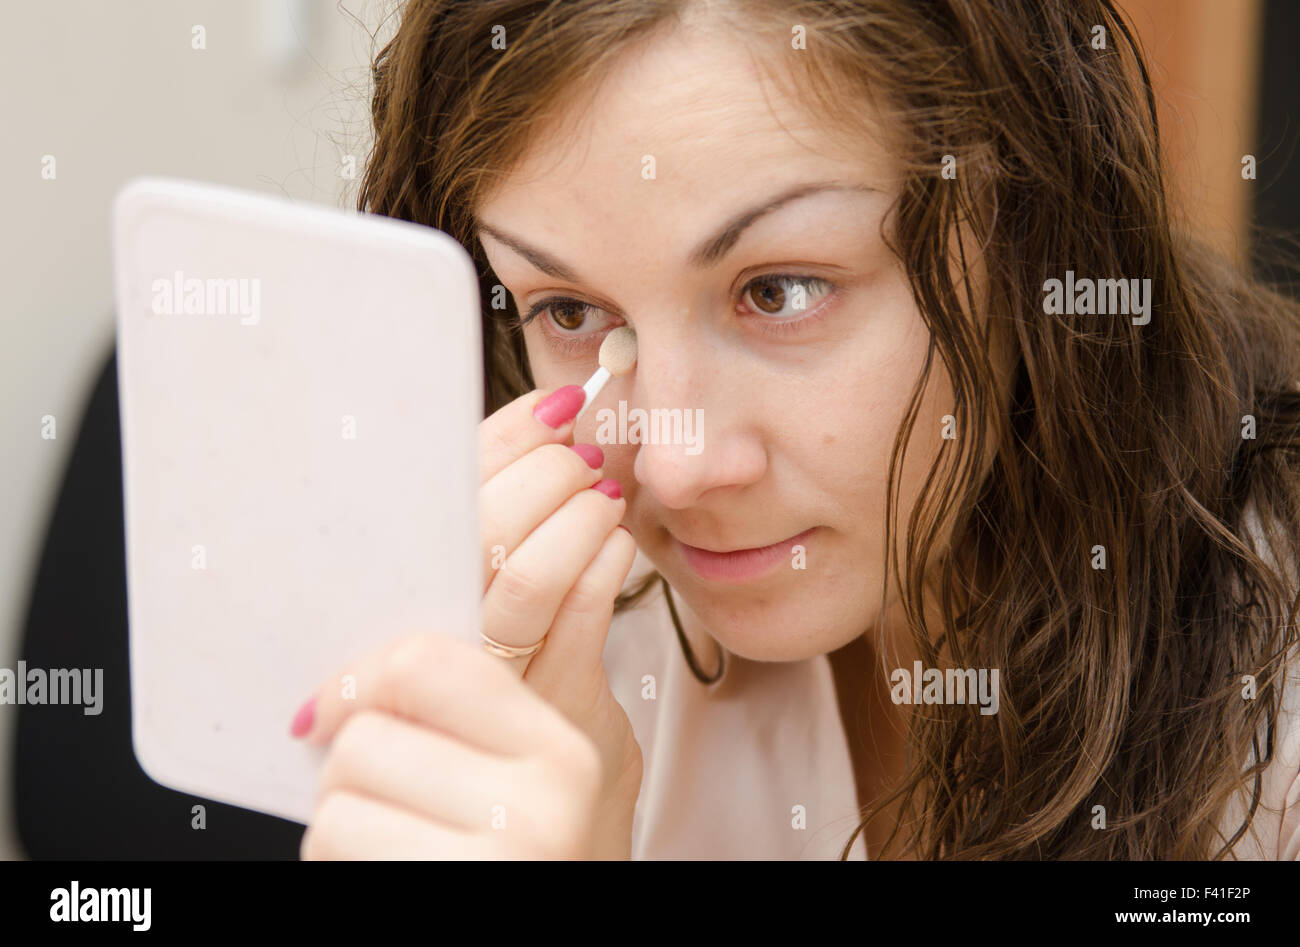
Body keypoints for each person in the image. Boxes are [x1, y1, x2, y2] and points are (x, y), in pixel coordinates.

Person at [293, 0, 1300, 860]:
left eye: (776, 292)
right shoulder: (559, 645)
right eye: (569, 312)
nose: (679, 470)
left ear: (1027, 229)